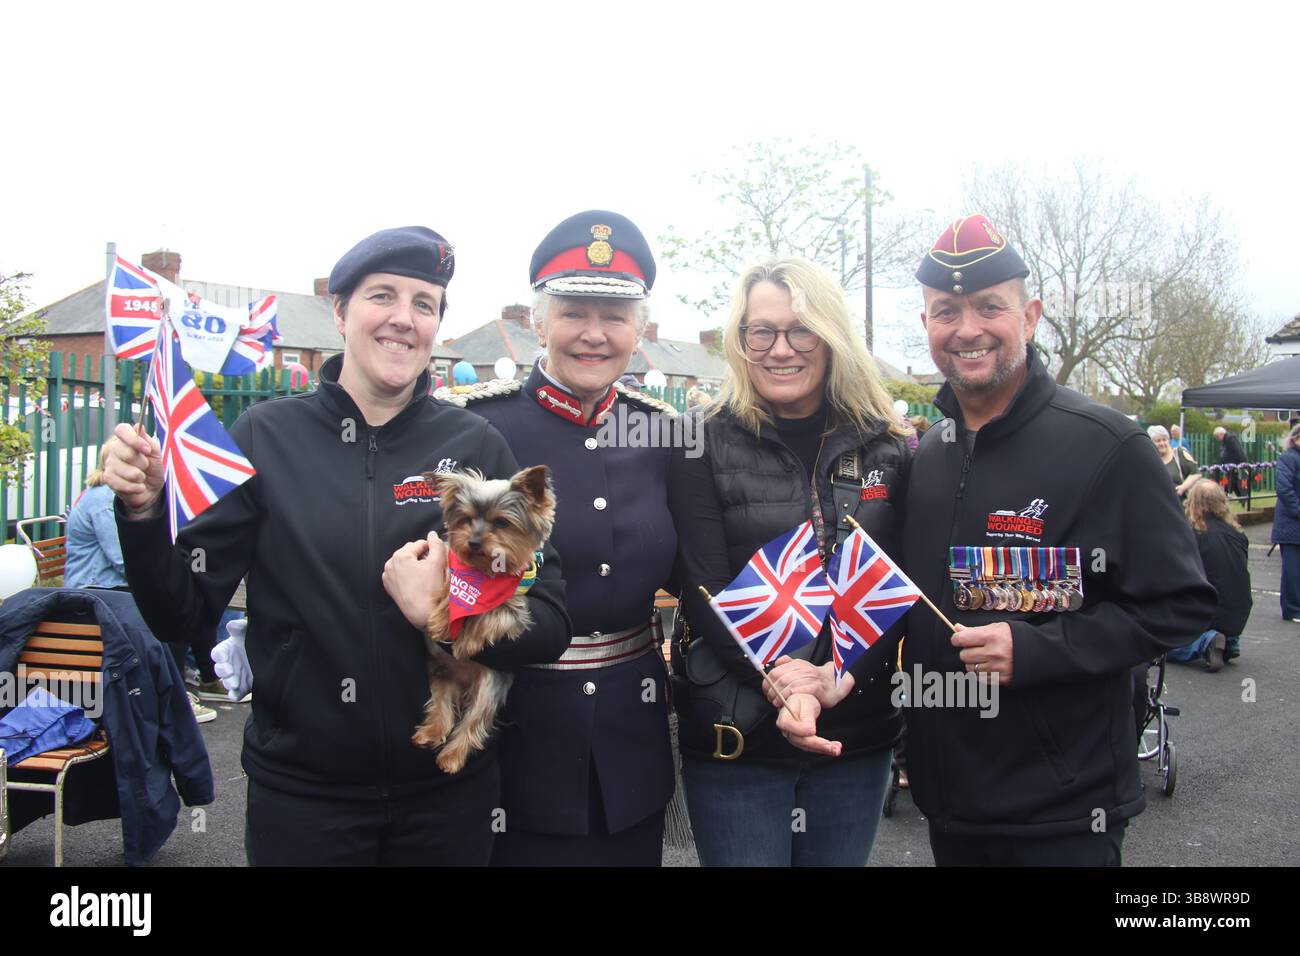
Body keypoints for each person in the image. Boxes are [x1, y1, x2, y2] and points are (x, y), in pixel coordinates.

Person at [103, 226, 571, 866]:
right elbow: (179, 612)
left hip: (447, 794)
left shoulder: (477, 447)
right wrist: (143, 512)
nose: (403, 320)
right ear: (340, 309)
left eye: (425, 304)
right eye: (383, 296)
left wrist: (445, 608)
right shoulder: (265, 436)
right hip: (303, 800)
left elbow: (549, 622)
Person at [861, 214, 1211, 866]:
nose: (966, 329)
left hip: (1063, 806)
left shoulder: (1110, 446)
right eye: (946, 311)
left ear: (1031, 317)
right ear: (927, 325)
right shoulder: (927, 454)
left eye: (989, 307)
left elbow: (1182, 605)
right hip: (948, 797)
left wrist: (1039, 649)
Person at [437, 210, 676, 866]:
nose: (594, 335)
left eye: (615, 317)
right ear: (538, 322)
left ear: (640, 330)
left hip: (632, 745)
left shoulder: (666, 435)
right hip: (513, 740)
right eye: (574, 313)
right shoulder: (476, 430)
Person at [669, 257, 909, 867]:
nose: (781, 349)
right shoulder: (698, 440)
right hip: (737, 733)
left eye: (800, 330)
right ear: (740, 341)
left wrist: (837, 679)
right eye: (761, 332)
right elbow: (704, 585)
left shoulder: (891, 445)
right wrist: (780, 682)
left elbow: (898, 587)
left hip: (855, 732)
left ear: (830, 337)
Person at [65, 443, 218, 724]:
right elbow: (124, 560)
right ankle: (174, 695)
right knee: (166, 609)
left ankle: (203, 678)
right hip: (98, 590)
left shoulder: (110, 495)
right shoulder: (103, 500)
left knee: (188, 601)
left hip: (115, 588)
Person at [1167, 479, 1251, 670]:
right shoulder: (1237, 533)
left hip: (1207, 611)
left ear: (1194, 502)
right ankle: (1229, 641)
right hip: (1238, 613)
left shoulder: (1192, 533)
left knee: (1160, 646)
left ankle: (1205, 642)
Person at [1273, 423, 1300, 623]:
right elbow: (1284, 489)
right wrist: (1298, 511)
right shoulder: (1288, 458)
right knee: (1292, 568)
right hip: (1291, 523)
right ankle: (1292, 609)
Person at [1148, 424, 1200, 499]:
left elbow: (1196, 473)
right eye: (1158, 441)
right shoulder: (1149, 459)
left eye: (1164, 440)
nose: (1162, 443)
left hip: (1180, 503)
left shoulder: (1179, 454)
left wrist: (1183, 487)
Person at [1215, 425, 1248, 496]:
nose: (1217, 439)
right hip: (1232, 464)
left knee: (1232, 479)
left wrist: (1234, 464)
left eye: (1217, 437)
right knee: (1231, 479)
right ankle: (1236, 494)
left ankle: (1231, 493)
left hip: (1236, 463)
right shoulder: (1226, 440)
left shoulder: (1230, 439)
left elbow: (1237, 451)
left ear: (1221, 434)